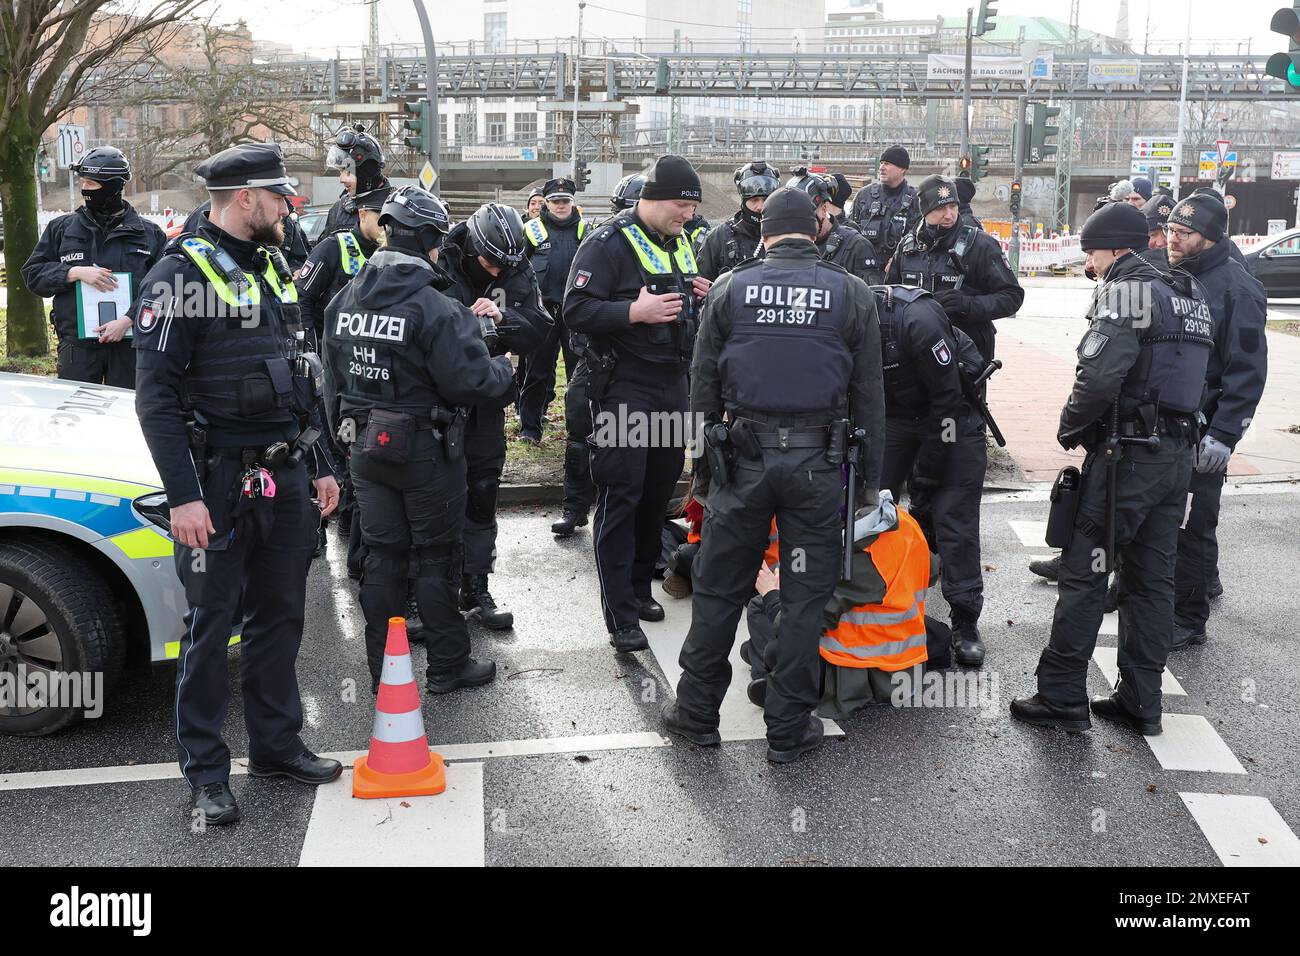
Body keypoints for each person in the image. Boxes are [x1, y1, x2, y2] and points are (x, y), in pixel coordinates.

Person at [132, 143, 343, 826]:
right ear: (246, 198)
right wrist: (185, 496)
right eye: (279, 195)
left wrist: (323, 465)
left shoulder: (277, 265)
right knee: (210, 628)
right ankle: (206, 774)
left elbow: (303, 371)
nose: (290, 206)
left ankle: (278, 747)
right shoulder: (175, 276)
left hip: (284, 474)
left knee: (280, 619)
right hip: (215, 484)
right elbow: (156, 398)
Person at [662, 186, 885, 764]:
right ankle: (787, 730)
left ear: (766, 234)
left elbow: (702, 385)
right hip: (818, 465)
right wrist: (868, 485)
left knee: (718, 590)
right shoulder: (852, 293)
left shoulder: (732, 289)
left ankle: (695, 715)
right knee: (805, 598)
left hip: (743, 462)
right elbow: (870, 398)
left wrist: (703, 474)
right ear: (816, 231)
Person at [1010, 201, 1214, 736]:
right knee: (1151, 580)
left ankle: (1060, 696)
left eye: (1092, 252)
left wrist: (1069, 428)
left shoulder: (1125, 292)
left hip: (1126, 458)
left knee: (1084, 573)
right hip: (1176, 458)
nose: (1089, 264)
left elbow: (1100, 378)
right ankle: (1141, 700)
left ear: (1117, 247)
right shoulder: (1189, 294)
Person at [322, 186, 515, 693]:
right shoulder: (439, 308)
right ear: (430, 238)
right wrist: (504, 367)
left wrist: (343, 444)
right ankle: (449, 667)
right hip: (427, 451)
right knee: (436, 556)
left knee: (383, 559)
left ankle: (385, 670)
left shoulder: (344, 298)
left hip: (363, 445)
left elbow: (331, 381)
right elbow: (470, 384)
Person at [563, 154, 711, 652]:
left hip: (672, 385)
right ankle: (620, 615)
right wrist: (634, 310)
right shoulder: (606, 243)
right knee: (622, 497)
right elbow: (575, 310)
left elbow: (677, 300)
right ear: (653, 198)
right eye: (680, 205)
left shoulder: (680, 240)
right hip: (624, 387)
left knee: (657, 495)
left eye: (691, 207)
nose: (688, 215)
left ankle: (639, 584)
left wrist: (696, 295)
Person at [434, 202, 552, 628]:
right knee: (432, 497)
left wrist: (503, 318)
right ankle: (424, 591)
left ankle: (476, 585)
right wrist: (460, 322)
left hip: (485, 397)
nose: (497, 274)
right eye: (488, 264)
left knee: (482, 492)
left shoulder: (515, 262)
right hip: (439, 400)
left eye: (505, 267)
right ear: (470, 247)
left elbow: (540, 327)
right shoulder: (440, 253)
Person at [1165, 193, 1268, 649]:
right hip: (1167, 424)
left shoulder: (1237, 290)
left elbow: (1247, 371)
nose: (1172, 239)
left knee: (1192, 526)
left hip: (1205, 428)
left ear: (1207, 238)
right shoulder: (1174, 274)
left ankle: (1188, 618)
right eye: (1171, 230)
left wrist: (1225, 435)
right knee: (1161, 521)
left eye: (1183, 234)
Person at [742, 491, 942, 717]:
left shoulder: (854, 559)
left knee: (770, 632)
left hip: (860, 676)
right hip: (908, 667)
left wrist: (772, 595)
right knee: (935, 632)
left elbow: (798, 625)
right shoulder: (904, 523)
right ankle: (761, 654)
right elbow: (932, 571)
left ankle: (774, 680)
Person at [875, 283, 991, 666]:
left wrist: (925, 471)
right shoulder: (844, 319)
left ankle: (965, 619)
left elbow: (947, 399)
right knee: (869, 507)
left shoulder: (918, 321)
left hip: (951, 416)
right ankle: (872, 601)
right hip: (894, 415)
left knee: (952, 517)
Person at [294, 181, 391, 565]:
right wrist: (309, 351)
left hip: (368, 372)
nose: (386, 224)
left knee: (357, 455)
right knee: (321, 449)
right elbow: (302, 299)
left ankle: (353, 535)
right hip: (327, 370)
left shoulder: (393, 253)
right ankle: (313, 529)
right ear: (362, 213)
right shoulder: (334, 248)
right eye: (379, 216)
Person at [22, 146, 167, 388]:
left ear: (113, 186)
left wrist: (128, 320)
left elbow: (164, 289)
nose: (84, 189)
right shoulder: (62, 229)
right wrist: (73, 272)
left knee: (126, 417)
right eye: (83, 182)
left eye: (92, 183)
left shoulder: (150, 235)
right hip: (77, 349)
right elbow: (33, 275)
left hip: (129, 348)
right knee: (74, 419)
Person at [552, 174, 647, 538]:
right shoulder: (601, 243)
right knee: (581, 433)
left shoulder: (668, 247)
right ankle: (575, 507)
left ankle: (633, 517)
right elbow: (578, 304)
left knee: (637, 443)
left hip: (642, 365)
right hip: (596, 357)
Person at [888, 174, 1024, 365]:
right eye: (941, 208)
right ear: (925, 211)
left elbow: (1012, 296)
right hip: (915, 351)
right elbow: (889, 296)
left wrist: (968, 305)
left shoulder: (980, 245)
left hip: (965, 354)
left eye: (953, 207)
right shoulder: (907, 246)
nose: (949, 215)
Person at [516, 177, 589, 444]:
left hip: (576, 314)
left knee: (579, 374)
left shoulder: (585, 230)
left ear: (573, 203)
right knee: (536, 373)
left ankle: (579, 428)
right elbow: (518, 271)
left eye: (565, 201)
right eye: (555, 201)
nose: (560, 206)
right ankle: (530, 429)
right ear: (546, 203)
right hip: (543, 312)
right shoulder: (531, 230)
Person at [787, 167, 883, 284]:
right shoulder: (789, 244)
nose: (799, 228)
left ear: (824, 209)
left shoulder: (856, 246)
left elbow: (871, 297)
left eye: (805, 219)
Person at [696, 160, 779, 281]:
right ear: (744, 200)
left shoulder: (783, 235)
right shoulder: (720, 237)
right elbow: (701, 282)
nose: (760, 207)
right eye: (754, 200)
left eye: (765, 200)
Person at [849, 145, 920, 262]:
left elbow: (923, 242)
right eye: (881, 163)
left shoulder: (917, 200)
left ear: (902, 169)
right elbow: (850, 233)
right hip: (865, 269)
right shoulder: (864, 196)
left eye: (887, 164)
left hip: (900, 271)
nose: (881, 167)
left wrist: (898, 261)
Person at [322, 124, 386, 239]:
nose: (341, 179)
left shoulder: (394, 209)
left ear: (366, 173)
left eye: (348, 172)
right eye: (340, 171)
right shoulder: (338, 209)